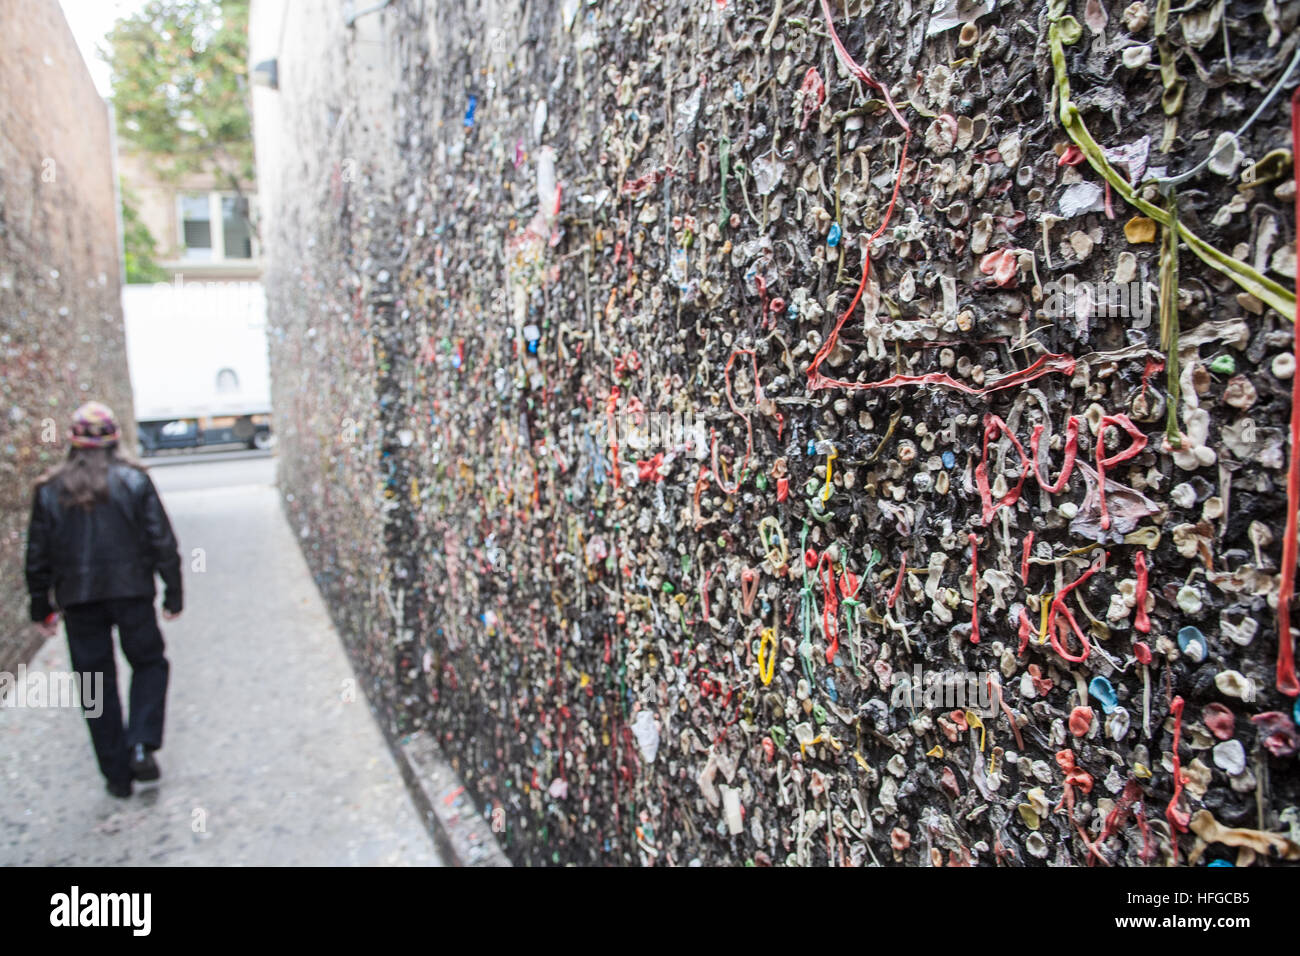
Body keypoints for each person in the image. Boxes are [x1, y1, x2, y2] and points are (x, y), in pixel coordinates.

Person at [24, 401, 183, 798]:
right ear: (115, 439)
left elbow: (37, 556)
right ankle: (142, 743)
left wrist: (41, 606)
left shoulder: (48, 491)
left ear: (74, 442)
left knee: (94, 684)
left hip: (80, 601)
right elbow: (161, 540)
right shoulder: (135, 481)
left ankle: (115, 773)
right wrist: (173, 593)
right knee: (148, 663)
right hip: (132, 594)